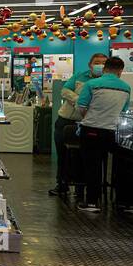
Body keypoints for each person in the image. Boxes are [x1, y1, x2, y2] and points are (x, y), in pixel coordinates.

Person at [73, 56, 131, 213]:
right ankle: (121, 201)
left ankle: (92, 202)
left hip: (91, 130)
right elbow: (124, 111)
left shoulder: (91, 84)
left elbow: (82, 106)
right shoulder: (126, 88)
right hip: (113, 132)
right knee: (119, 166)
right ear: (120, 71)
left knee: (93, 166)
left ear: (104, 68)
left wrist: (91, 118)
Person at [50, 53, 106, 199]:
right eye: (97, 62)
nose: (100, 65)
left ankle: (82, 188)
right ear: (90, 64)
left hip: (91, 123)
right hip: (67, 120)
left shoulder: (106, 81)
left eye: (103, 63)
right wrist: (81, 100)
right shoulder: (79, 76)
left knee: (84, 157)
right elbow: (65, 91)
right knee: (63, 155)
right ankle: (61, 184)